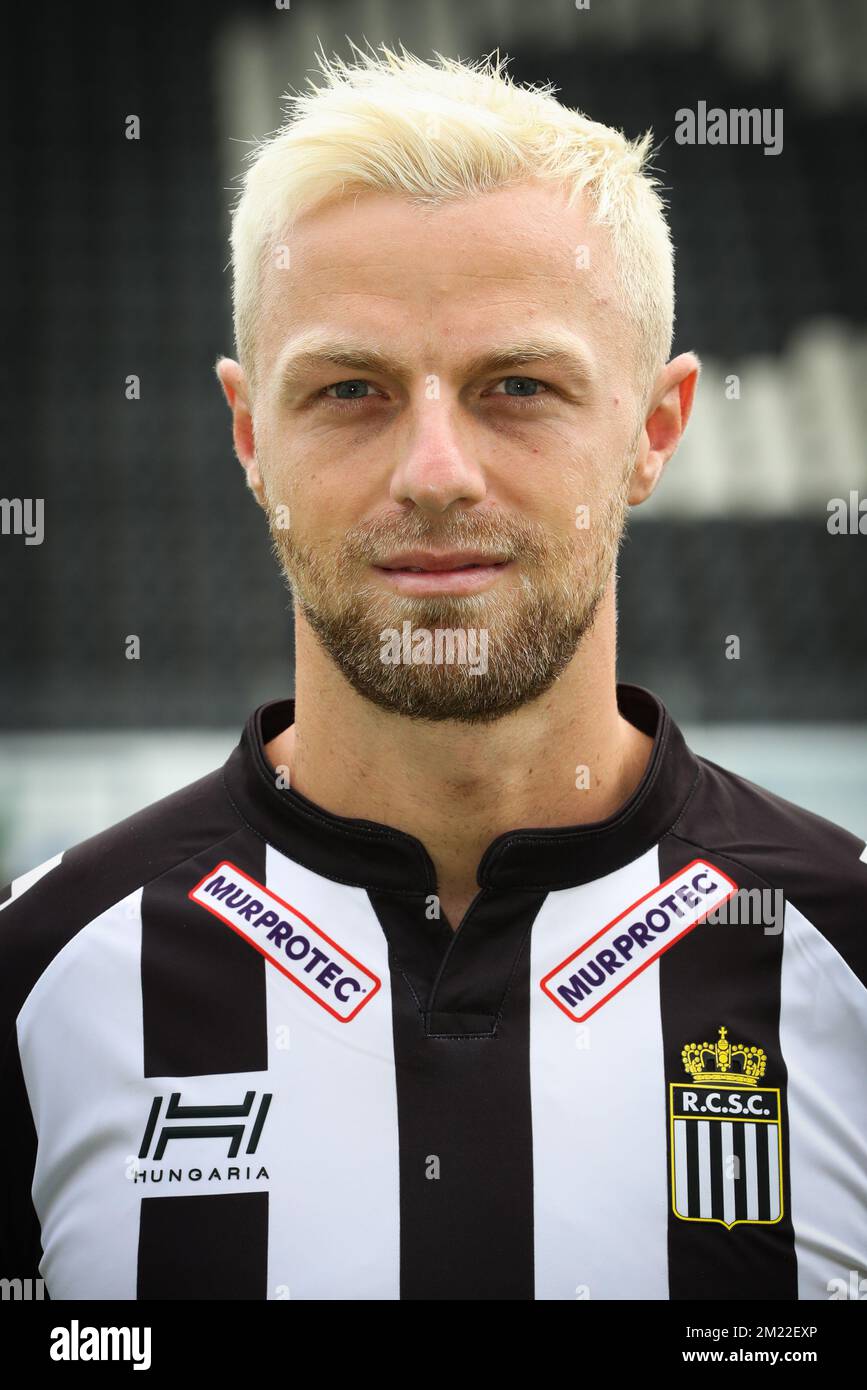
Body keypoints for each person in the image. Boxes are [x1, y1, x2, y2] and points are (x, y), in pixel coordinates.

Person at [1, 42, 865, 1302]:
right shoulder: (42, 974)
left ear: (654, 429)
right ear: (251, 435)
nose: (436, 471)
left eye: (519, 385)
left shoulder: (845, 952)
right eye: (349, 389)